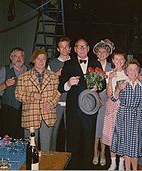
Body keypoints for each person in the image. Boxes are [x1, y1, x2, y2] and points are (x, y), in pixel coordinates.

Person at [58, 38, 106, 169]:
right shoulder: (68, 64)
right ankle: (72, 166)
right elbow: (61, 87)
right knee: (72, 139)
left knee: (89, 139)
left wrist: (97, 87)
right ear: (74, 49)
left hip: (90, 108)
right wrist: (68, 83)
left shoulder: (96, 63)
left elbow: (103, 84)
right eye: (79, 47)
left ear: (88, 48)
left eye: (84, 46)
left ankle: (87, 167)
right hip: (73, 109)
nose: (82, 49)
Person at [15, 49, 60, 151]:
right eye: (38, 58)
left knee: (46, 150)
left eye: (43, 59)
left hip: (47, 116)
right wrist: (32, 96)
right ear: (33, 60)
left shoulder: (53, 77)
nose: (41, 61)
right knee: (30, 148)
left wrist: (51, 104)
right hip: (30, 117)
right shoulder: (23, 77)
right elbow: (18, 95)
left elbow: (57, 93)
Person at [110, 59, 142, 170]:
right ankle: (127, 169)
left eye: (135, 69)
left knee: (134, 144)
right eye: (130, 69)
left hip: (137, 116)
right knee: (125, 144)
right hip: (124, 116)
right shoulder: (121, 83)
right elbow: (113, 98)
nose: (133, 72)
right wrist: (118, 90)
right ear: (126, 71)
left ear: (138, 71)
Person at [0, 47, 27, 138]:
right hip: (9, 107)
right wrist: (5, 84)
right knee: (9, 135)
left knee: (22, 135)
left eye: (21, 56)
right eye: (16, 56)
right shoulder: (5, 69)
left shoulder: (28, 70)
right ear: (11, 58)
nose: (19, 58)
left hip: (25, 108)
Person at [102, 49, 127, 170]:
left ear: (125, 60)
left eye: (121, 59)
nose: (119, 61)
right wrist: (110, 79)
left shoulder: (128, 74)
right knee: (111, 135)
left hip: (124, 108)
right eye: (116, 59)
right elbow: (108, 94)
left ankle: (121, 163)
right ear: (112, 60)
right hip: (111, 107)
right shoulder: (108, 73)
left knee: (122, 136)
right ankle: (112, 163)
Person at [92, 39, 114, 166]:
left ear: (108, 53)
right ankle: (95, 152)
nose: (102, 53)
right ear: (96, 53)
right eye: (99, 51)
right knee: (96, 128)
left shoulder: (112, 67)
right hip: (95, 100)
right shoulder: (92, 66)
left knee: (105, 128)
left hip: (108, 102)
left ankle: (103, 153)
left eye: (104, 51)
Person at [48, 37, 71, 151]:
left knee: (70, 133)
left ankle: (68, 156)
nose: (64, 49)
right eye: (61, 47)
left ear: (70, 49)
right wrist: (57, 73)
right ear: (58, 49)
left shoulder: (75, 62)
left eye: (66, 46)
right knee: (53, 131)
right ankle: (51, 154)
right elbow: (46, 83)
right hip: (56, 102)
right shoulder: (52, 63)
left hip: (72, 102)